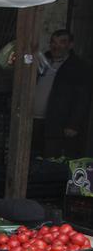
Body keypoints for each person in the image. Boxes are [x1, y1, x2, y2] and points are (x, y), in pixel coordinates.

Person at [31, 29, 92, 158]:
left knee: (51, 158)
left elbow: (82, 98)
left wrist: (73, 124)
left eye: (62, 42)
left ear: (70, 45)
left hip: (57, 123)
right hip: (32, 119)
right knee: (31, 155)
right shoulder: (43, 59)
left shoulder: (78, 67)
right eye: (53, 42)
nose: (56, 46)